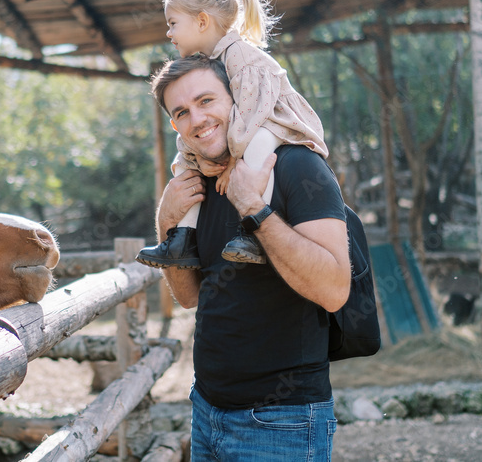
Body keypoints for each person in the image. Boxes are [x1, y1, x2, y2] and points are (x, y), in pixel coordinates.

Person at [147, 54, 350, 461]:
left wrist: (254, 210)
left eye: (207, 101)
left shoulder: (296, 165)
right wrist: (166, 222)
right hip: (206, 409)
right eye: (182, 112)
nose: (197, 119)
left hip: (282, 421)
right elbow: (190, 297)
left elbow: (334, 289)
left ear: (236, 97)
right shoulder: (196, 183)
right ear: (174, 125)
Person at [136, 0, 328, 268]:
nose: (168, 33)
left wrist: (235, 162)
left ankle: (252, 229)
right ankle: (182, 238)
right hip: (251, 120)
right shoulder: (210, 62)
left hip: (276, 119)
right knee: (184, 156)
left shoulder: (238, 54)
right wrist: (199, 160)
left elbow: (253, 114)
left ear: (201, 21)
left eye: (173, 23)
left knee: (257, 148)